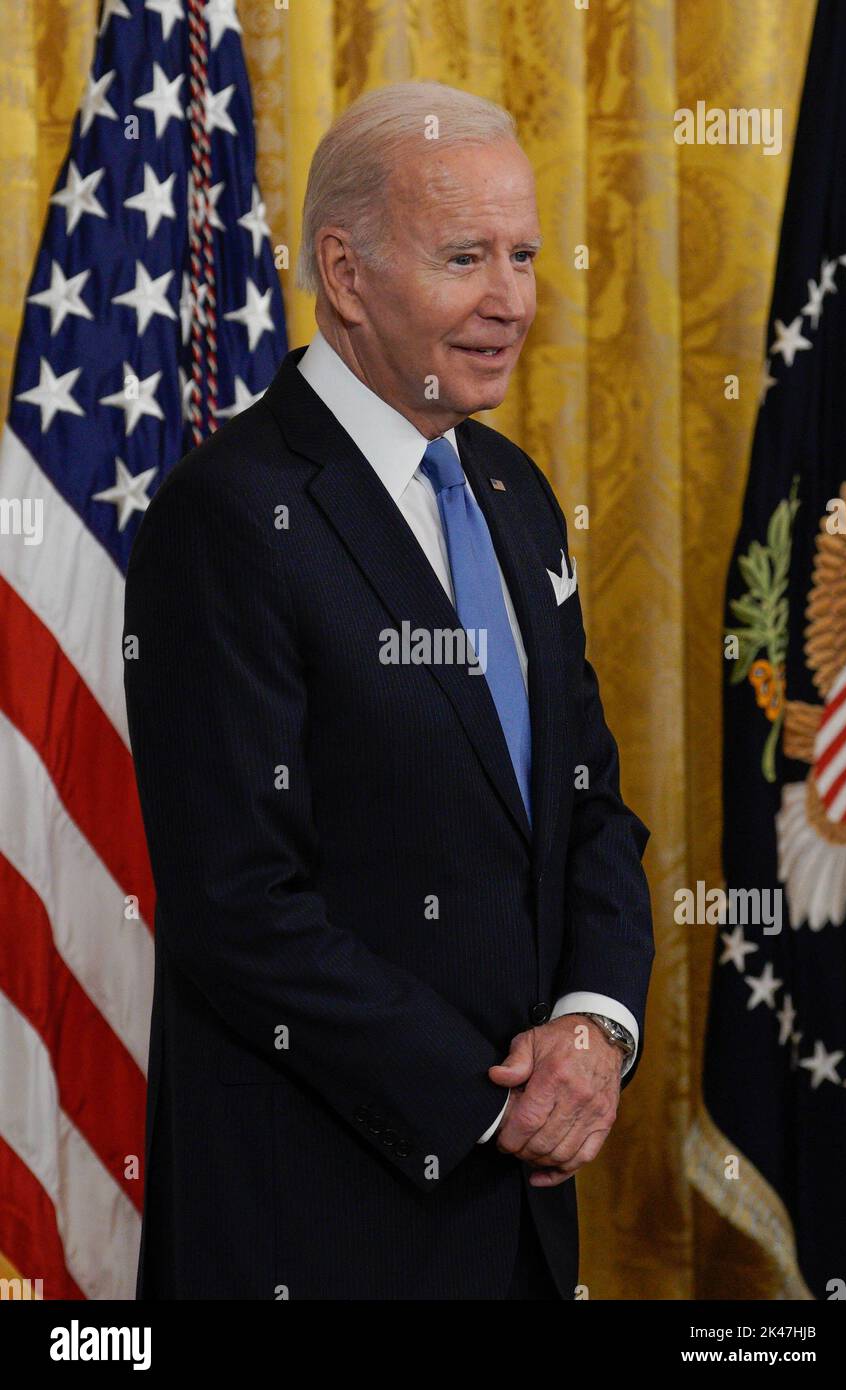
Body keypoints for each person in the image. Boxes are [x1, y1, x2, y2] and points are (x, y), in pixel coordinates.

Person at [124, 80, 654, 1301]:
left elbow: (588, 810)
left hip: (515, 1227)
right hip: (317, 1224)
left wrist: (590, 1030)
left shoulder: (513, 494)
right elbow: (236, 904)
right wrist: (497, 1103)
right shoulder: (230, 516)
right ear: (346, 275)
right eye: (464, 256)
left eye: (521, 253)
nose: (512, 300)